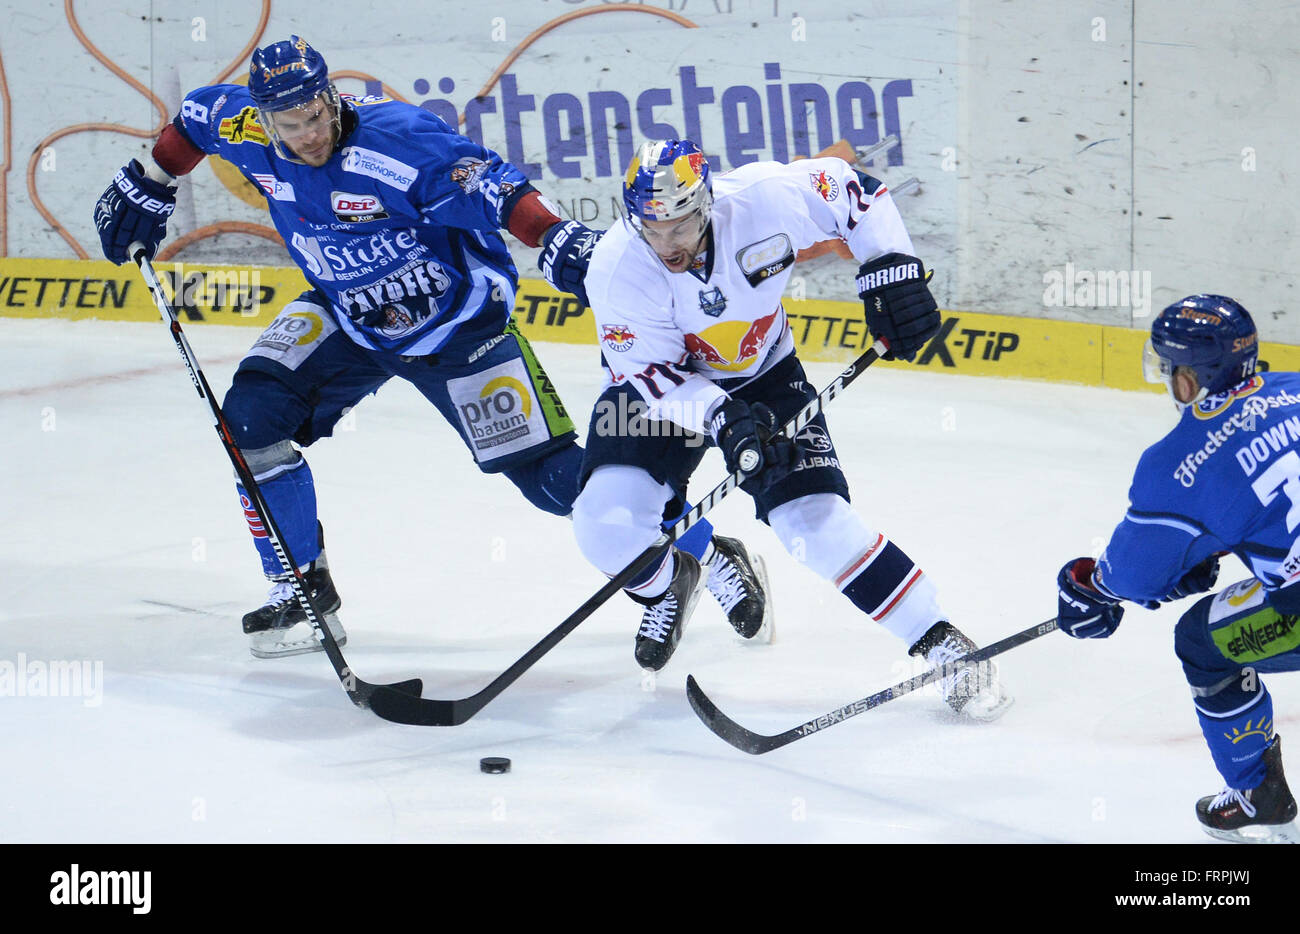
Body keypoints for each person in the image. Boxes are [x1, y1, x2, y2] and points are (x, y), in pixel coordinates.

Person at [92, 38, 767, 659]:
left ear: (331, 97)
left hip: (457, 326)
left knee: (561, 485)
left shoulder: (396, 142)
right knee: (249, 421)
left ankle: (708, 553)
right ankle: (301, 593)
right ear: (265, 120)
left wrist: (555, 237)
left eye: (316, 114)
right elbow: (191, 123)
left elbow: (493, 185)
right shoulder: (242, 124)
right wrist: (150, 178)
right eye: (289, 123)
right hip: (346, 314)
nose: (307, 134)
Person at [536, 137, 1011, 717]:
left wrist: (890, 266)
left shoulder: (763, 200)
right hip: (661, 392)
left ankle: (941, 643)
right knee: (603, 525)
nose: (666, 244)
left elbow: (851, 193)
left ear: (705, 204)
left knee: (814, 524)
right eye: (651, 229)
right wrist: (721, 421)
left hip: (763, 373)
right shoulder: (616, 267)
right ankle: (690, 572)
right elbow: (653, 377)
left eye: (679, 227)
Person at [1055, 294, 1299, 843]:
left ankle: (1257, 791)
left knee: (1200, 642)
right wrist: (1206, 549)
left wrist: (1089, 587)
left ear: (1194, 375)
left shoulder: (1177, 462)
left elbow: (1132, 576)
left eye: (1172, 368)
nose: (1169, 379)